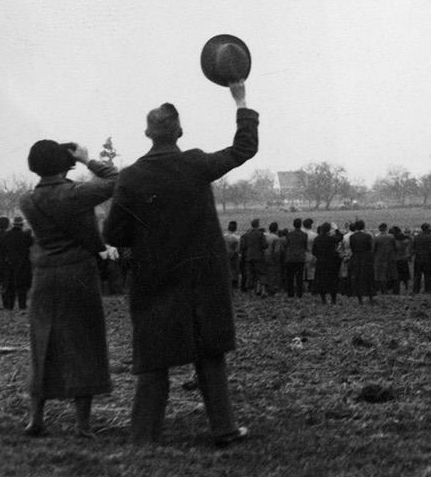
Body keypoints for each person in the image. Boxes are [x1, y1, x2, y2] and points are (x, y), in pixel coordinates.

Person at [101, 79, 258, 446]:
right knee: (210, 354)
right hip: (202, 276)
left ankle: (144, 435)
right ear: (180, 131)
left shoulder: (131, 177)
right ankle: (223, 428)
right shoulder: (196, 164)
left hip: (152, 278)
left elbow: (113, 235)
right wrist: (240, 100)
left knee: (154, 361)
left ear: (146, 133)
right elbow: (244, 147)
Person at [19, 139, 118, 438]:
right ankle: (82, 425)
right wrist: (88, 160)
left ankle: (36, 419)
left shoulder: (27, 200)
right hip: (78, 272)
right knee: (84, 343)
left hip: (44, 275)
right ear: (66, 163)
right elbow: (118, 180)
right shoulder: (77, 194)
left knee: (42, 343)